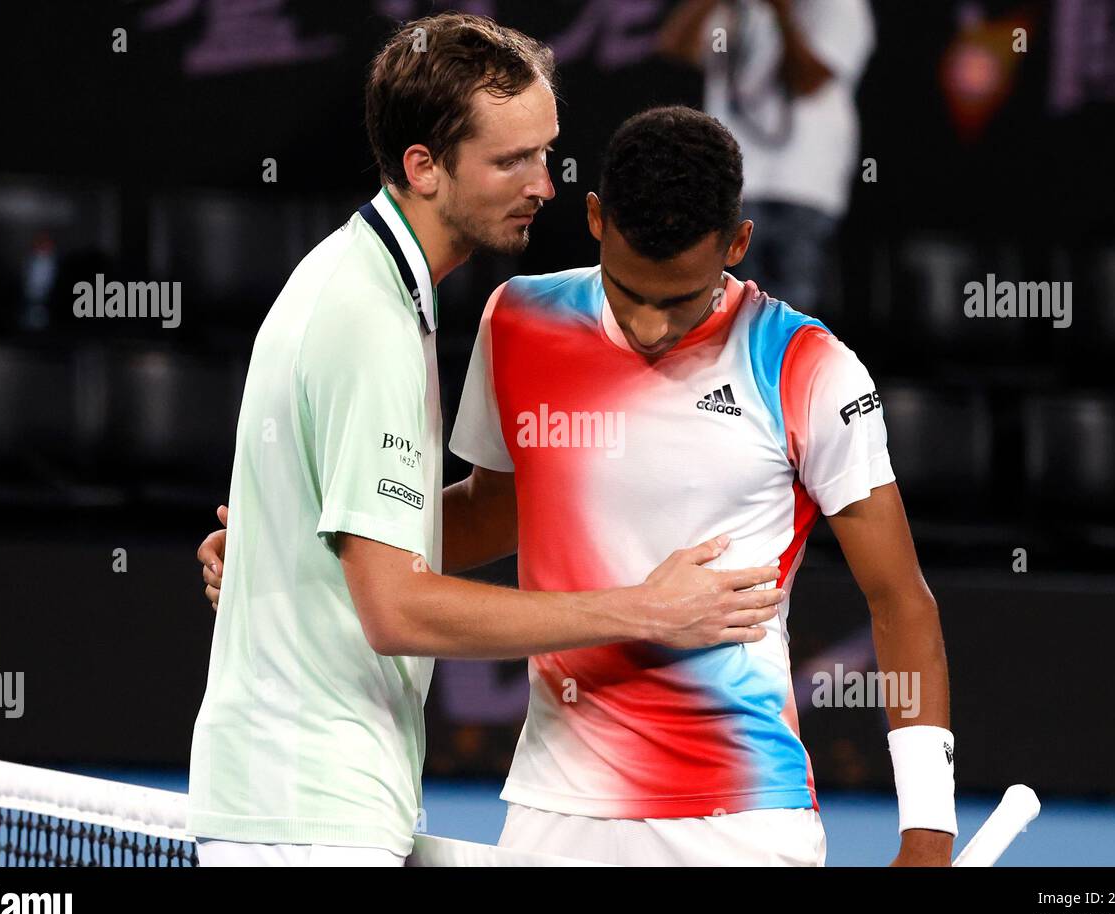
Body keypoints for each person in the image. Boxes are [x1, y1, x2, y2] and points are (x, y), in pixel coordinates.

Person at [202, 106, 956, 866]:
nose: (653, 328)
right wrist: (294, 551)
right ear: (595, 219)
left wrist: (926, 835)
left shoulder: (810, 370)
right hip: (551, 807)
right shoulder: (521, 319)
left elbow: (900, 599)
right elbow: (488, 518)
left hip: (738, 817)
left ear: (738, 243)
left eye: (681, 300)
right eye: (633, 293)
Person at [188, 16, 785, 868]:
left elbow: (421, 530)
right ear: (424, 168)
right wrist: (644, 610)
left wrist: (276, 554)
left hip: (312, 804)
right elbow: (396, 608)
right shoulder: (368, 320)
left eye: (545, 152)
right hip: (308, 815)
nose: (544, 185)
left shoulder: (364, 285)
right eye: (511, 161)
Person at [656, 0, 875, 313]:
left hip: (803, 187)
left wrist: (782, 12)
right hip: (734, 185)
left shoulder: (839, 6)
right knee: (724, 315)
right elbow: (676, 45)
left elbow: (807, 80)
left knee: (789, 317)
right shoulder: (739, 8)